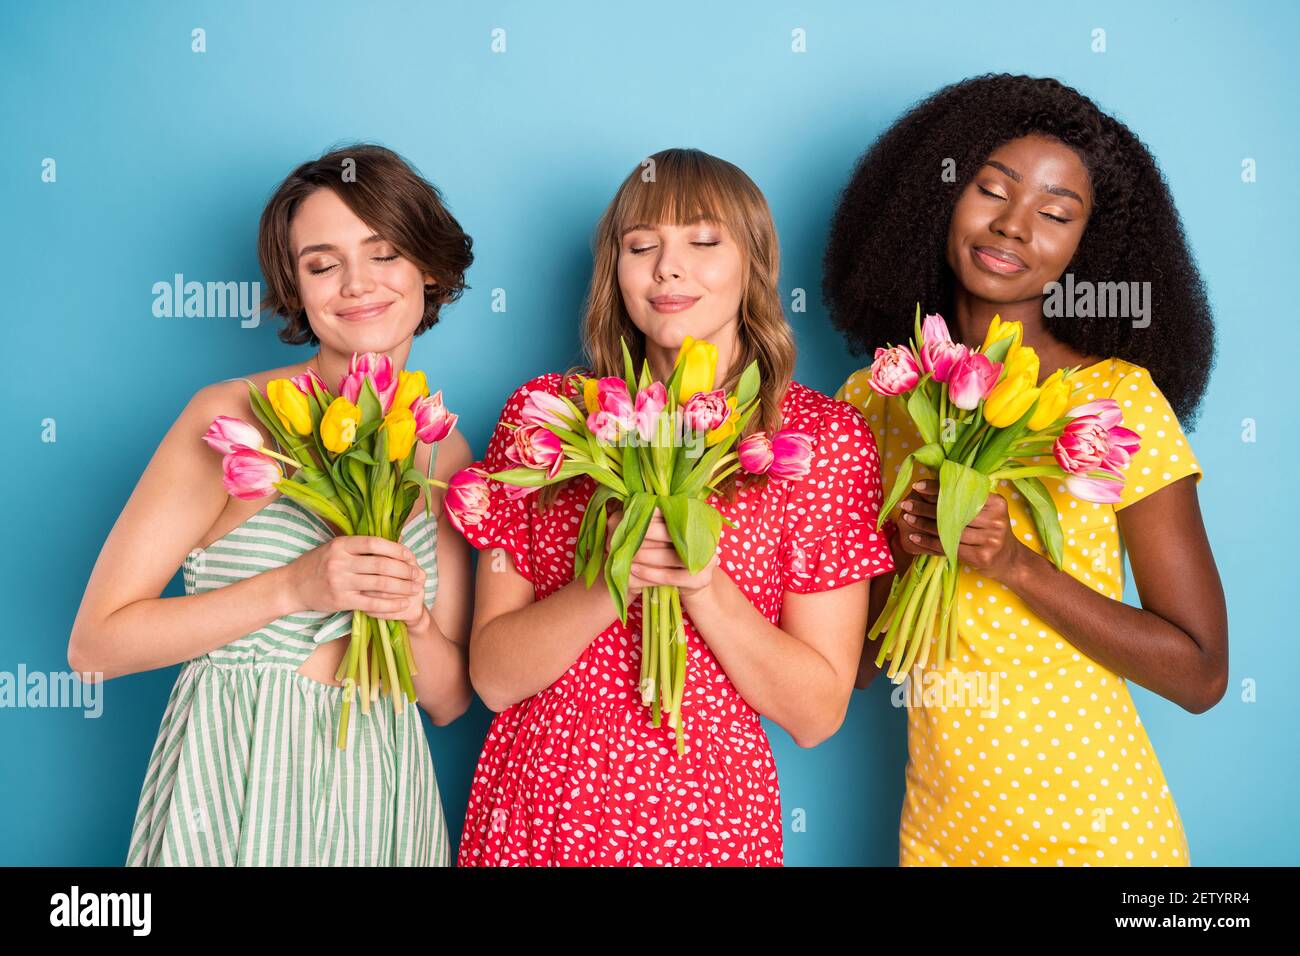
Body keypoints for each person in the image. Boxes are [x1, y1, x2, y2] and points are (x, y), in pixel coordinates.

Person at [824, 74, 1228, 866]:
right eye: (991, 190)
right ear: (936, 195)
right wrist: (908, 546)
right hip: (942, 832)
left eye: (1055, 214)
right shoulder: (877, 398)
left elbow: (1201, 674)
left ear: (1089, 247)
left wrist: (1015, 564)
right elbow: (857, 671)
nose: (1013, 226)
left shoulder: (1112, 400)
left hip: (1098, 831)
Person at [453, 148, 895, 865]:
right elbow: (494, 678)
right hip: (541, 811)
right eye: (641, 245)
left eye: (703, 240)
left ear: (754, 261)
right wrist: (613, 579)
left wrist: (705, 588)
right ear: (615, 270)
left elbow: (816, 713)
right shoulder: (546, 418)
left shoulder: (820, 439)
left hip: (711, 821)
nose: (668, 267)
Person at [68, 144, 475, 865]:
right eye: (322, 264)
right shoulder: (230, 419)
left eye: (383, 254)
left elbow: (446, 701)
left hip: (380, 789)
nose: (356, 284)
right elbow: (95, 646)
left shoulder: (441, 448)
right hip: (235, 778)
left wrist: (408, 615)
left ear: (429, 268)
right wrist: (296, 585)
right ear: (296, 287)